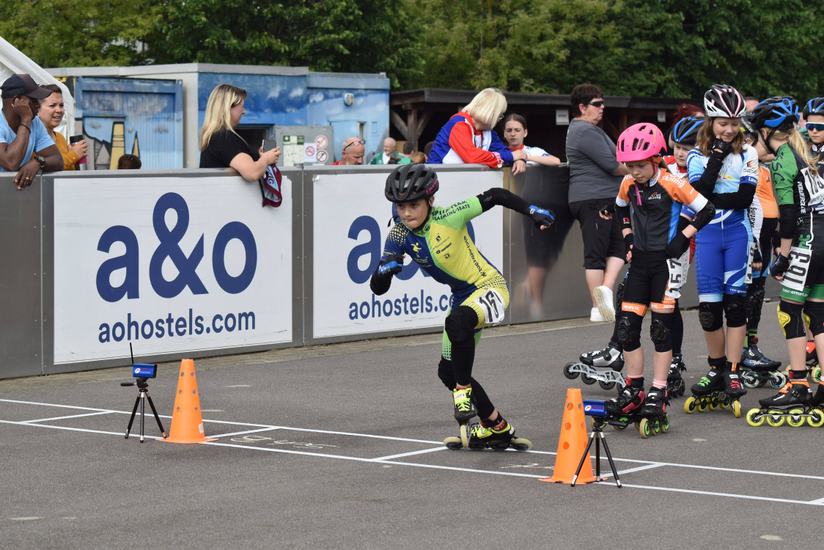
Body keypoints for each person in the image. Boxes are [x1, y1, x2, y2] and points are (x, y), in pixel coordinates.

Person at [370, 164, 554, 449]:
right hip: (461, 297)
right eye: (401, 206)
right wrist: (384, 272)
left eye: (414, 205)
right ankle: (497, 426)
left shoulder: (451, 215)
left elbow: (495, 195)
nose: (406, 213)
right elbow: (378, 290)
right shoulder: (398, 235)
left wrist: (531, 211)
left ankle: (463, 391)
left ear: (430, 201)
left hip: (489, 286)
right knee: (447, 370)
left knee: (456, 325)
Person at [603, 123, 714, 435]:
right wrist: (627, 240)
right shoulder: (627, 183)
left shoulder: (672, 183)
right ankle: (634, 388)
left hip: (666, 264)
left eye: (639, 166)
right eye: (630, 166)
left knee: (661, 331)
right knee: (626, 328)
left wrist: (683, 237)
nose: (634, 171)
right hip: (639, 263)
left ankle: (658, 390)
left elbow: (706, 210)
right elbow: (620, 209)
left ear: (654, 159)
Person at [745, 97, 824, 415]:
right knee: (818, 315)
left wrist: (784, 255)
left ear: (767, 132)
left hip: (807, 240)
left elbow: (789, 215)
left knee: (789, 310)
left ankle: (798, 383)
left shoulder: (782, 161)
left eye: (754, 136)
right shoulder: (807, 154)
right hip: (823, 237)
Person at [685, 84, 756, 412]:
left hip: (737, 234)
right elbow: (697, 194)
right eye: (722, 122)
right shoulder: (698, 154)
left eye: (734, 122)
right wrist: (716, 156)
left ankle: (734, 369)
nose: (729, 129)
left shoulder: (749, 152)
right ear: (710, 122)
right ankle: (716, 369)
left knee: (735, 304)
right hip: (709, 236)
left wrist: (711, 199)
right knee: (709, 309)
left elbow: (743, 199)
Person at [566, 83, 629, 322]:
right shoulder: (584, 130)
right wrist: (642, 168)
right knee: (596, 253)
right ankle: (596, 307)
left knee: (620, 246)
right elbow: (613, 165)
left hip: (605, 197)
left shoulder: (589, 129)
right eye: (597, 104)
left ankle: (606, 293)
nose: (602, 108)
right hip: (592, 198)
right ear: (582, 107)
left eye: (603, 103)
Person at [502, 113, 562, 317]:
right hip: (503, 214)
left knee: (536, 257)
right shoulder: (497, 152)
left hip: (531, 211)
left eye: (517, 130)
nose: (512, 134)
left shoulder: (532, 151)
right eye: (509, 130)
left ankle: (533, 300)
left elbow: (555, 161)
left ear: (525, 132)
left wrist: (525, 157)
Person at [427, 88, 527, 175]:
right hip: (438, 183)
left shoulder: (488, 132)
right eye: (500, 114)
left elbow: (504, 152)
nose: (499, 119)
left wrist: (518, 159)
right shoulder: (460, 124)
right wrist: (512, 156)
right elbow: (472, 156)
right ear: (491, 113)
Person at [199, 84, 280, 179]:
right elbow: (251, 173)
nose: (244, 111)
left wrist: (261, 158)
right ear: (228, 107)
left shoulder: (215, 136)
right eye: (241, 106)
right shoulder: (224, 138)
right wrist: (265, 160)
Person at [0, 74, 63, 189]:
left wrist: (39, 162)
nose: (38, 105)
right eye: (33, 100)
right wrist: (25, 120)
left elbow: (58, 160)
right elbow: (11, 162)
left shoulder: (35, 123)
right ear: (16, 101)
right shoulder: (28, 120)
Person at [37, 84, 87, 171]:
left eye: (61, 105)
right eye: (52, 105)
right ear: (37, 109)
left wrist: (77, 159)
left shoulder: (60, 138)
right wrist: (74, 155)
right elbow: (43, 168)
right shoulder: (31, 138)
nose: (59, 110)